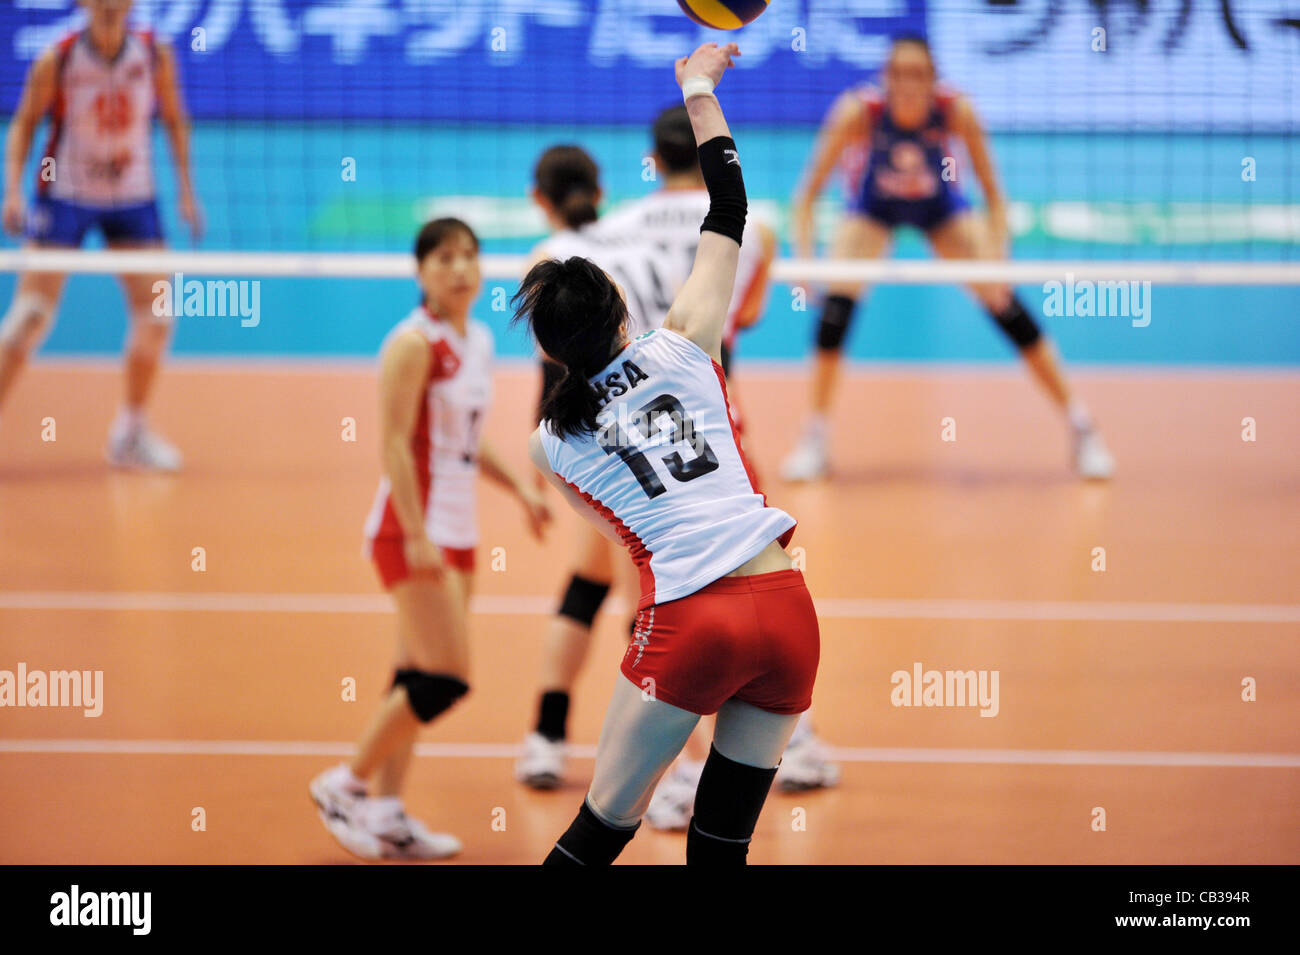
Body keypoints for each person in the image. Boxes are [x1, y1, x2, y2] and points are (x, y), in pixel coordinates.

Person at [519, 42, 820, 865]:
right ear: (625, 318)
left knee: (599, 831)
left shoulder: (552, 443)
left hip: (691, 621)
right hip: (788, 608)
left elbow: (629, 527)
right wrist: (697, 87)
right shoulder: (687, 343)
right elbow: (730, 205)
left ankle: (544, 734)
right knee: (720, 848)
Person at [310, 218, 550, 861]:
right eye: (444, 258)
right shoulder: (412, 344)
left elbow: (468, 442)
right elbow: (391, 442)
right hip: (412, 531)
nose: (461, 269)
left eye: (470, 255)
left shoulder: (473, 341)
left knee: (414, 672)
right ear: (421, 272)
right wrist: (416, 535)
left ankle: (387, 812)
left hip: (460, 529)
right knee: (448, 676)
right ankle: (346, 783)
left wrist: (521, 491)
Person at [781, 35, 1115, 482]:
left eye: (918, 74)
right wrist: (805, 268)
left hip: (941, 212)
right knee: (834, 315)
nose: (908, 84)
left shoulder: (957, 111)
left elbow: (996, 198)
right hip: (872, 212)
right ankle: (815, 437)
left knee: (1006, 306)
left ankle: (1081, 427)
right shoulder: (859, 112)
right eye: (898, 74)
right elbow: (805, 198)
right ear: (886, 78)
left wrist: (998, 260)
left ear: (933, 79)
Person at [0, 0, 200, 469]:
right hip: (67, 194)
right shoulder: (60, 56)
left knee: (157, 310)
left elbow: (174, 119)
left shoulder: (154, 53)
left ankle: (130, 433)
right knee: (29, 318)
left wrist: (187, 191)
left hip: (133, 195)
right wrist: (12, 191)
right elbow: (26, 123)